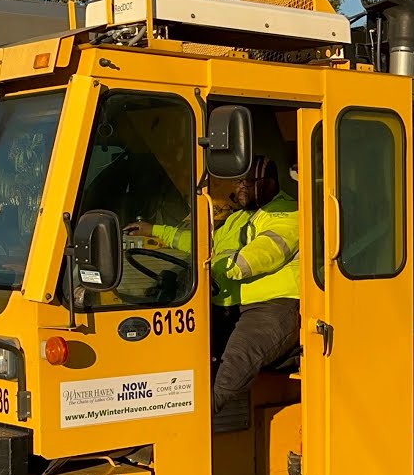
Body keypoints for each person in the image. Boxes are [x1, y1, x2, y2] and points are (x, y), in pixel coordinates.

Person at [125, 156, 300, 417]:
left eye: (248, 183)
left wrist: (216, 269)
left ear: (269, 184)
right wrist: (156, 231)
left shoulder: (287, 213)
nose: (240, 188)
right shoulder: (239, 218)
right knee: (181, 349)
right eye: (238, 182)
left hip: (272, 306)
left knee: (235, 364)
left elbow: (263, 254)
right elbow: (205, 244)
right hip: (231, 304)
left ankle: (193, 423)